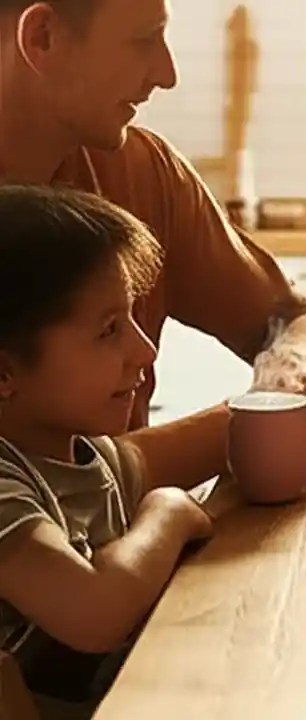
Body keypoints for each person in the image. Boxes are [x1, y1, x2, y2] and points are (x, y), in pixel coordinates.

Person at [0, 0, 306, 466]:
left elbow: (289, 321)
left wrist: (302, 363)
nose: (167, 74)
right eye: (144, 39)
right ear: (42, 37)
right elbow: (37, 488)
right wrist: (246, 424)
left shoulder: (146, 172)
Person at [0, 187, 220, 718]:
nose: (144, 351)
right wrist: (167, 512)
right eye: (108, 330)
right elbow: (94, 613)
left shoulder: (83, 457)